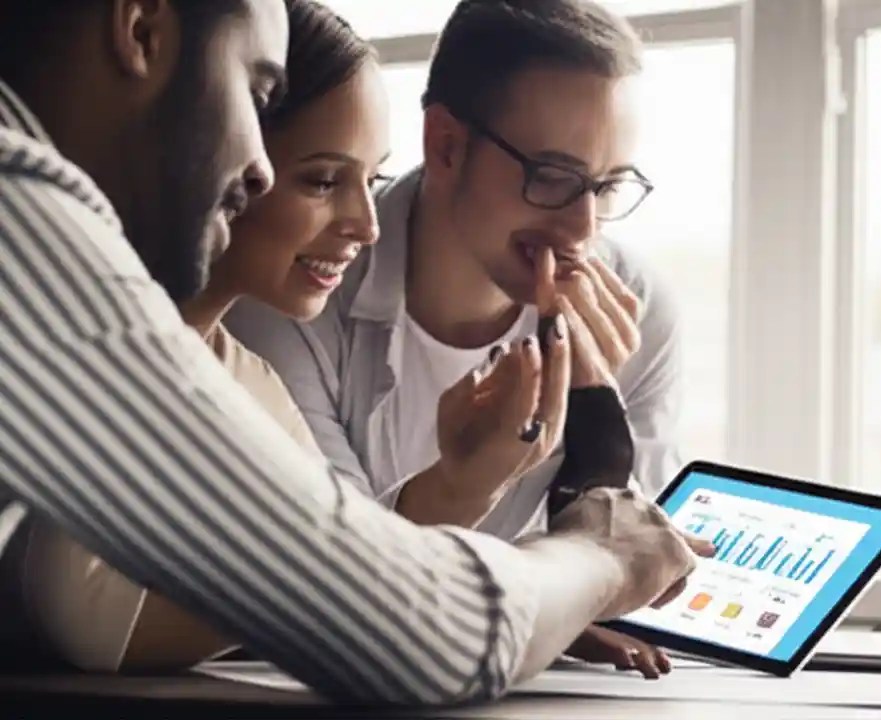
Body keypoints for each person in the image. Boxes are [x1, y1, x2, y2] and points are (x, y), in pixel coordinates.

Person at [0, 0, 697, 703]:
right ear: (141, 28)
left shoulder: (237, 370)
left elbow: (336, 573)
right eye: (258, 91)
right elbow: (420, 630)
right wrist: (598, 557)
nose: (257, 165)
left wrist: (474, 493)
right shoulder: (21, 222)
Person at [227, 0, 686, 677]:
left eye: (609, 185)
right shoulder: (299, 280)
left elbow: (634, 570)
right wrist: (554, 586)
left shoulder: (635, 306)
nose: (585, 227)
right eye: (553, 178)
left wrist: (597, 427)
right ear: (445, 146)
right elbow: (342, 591)